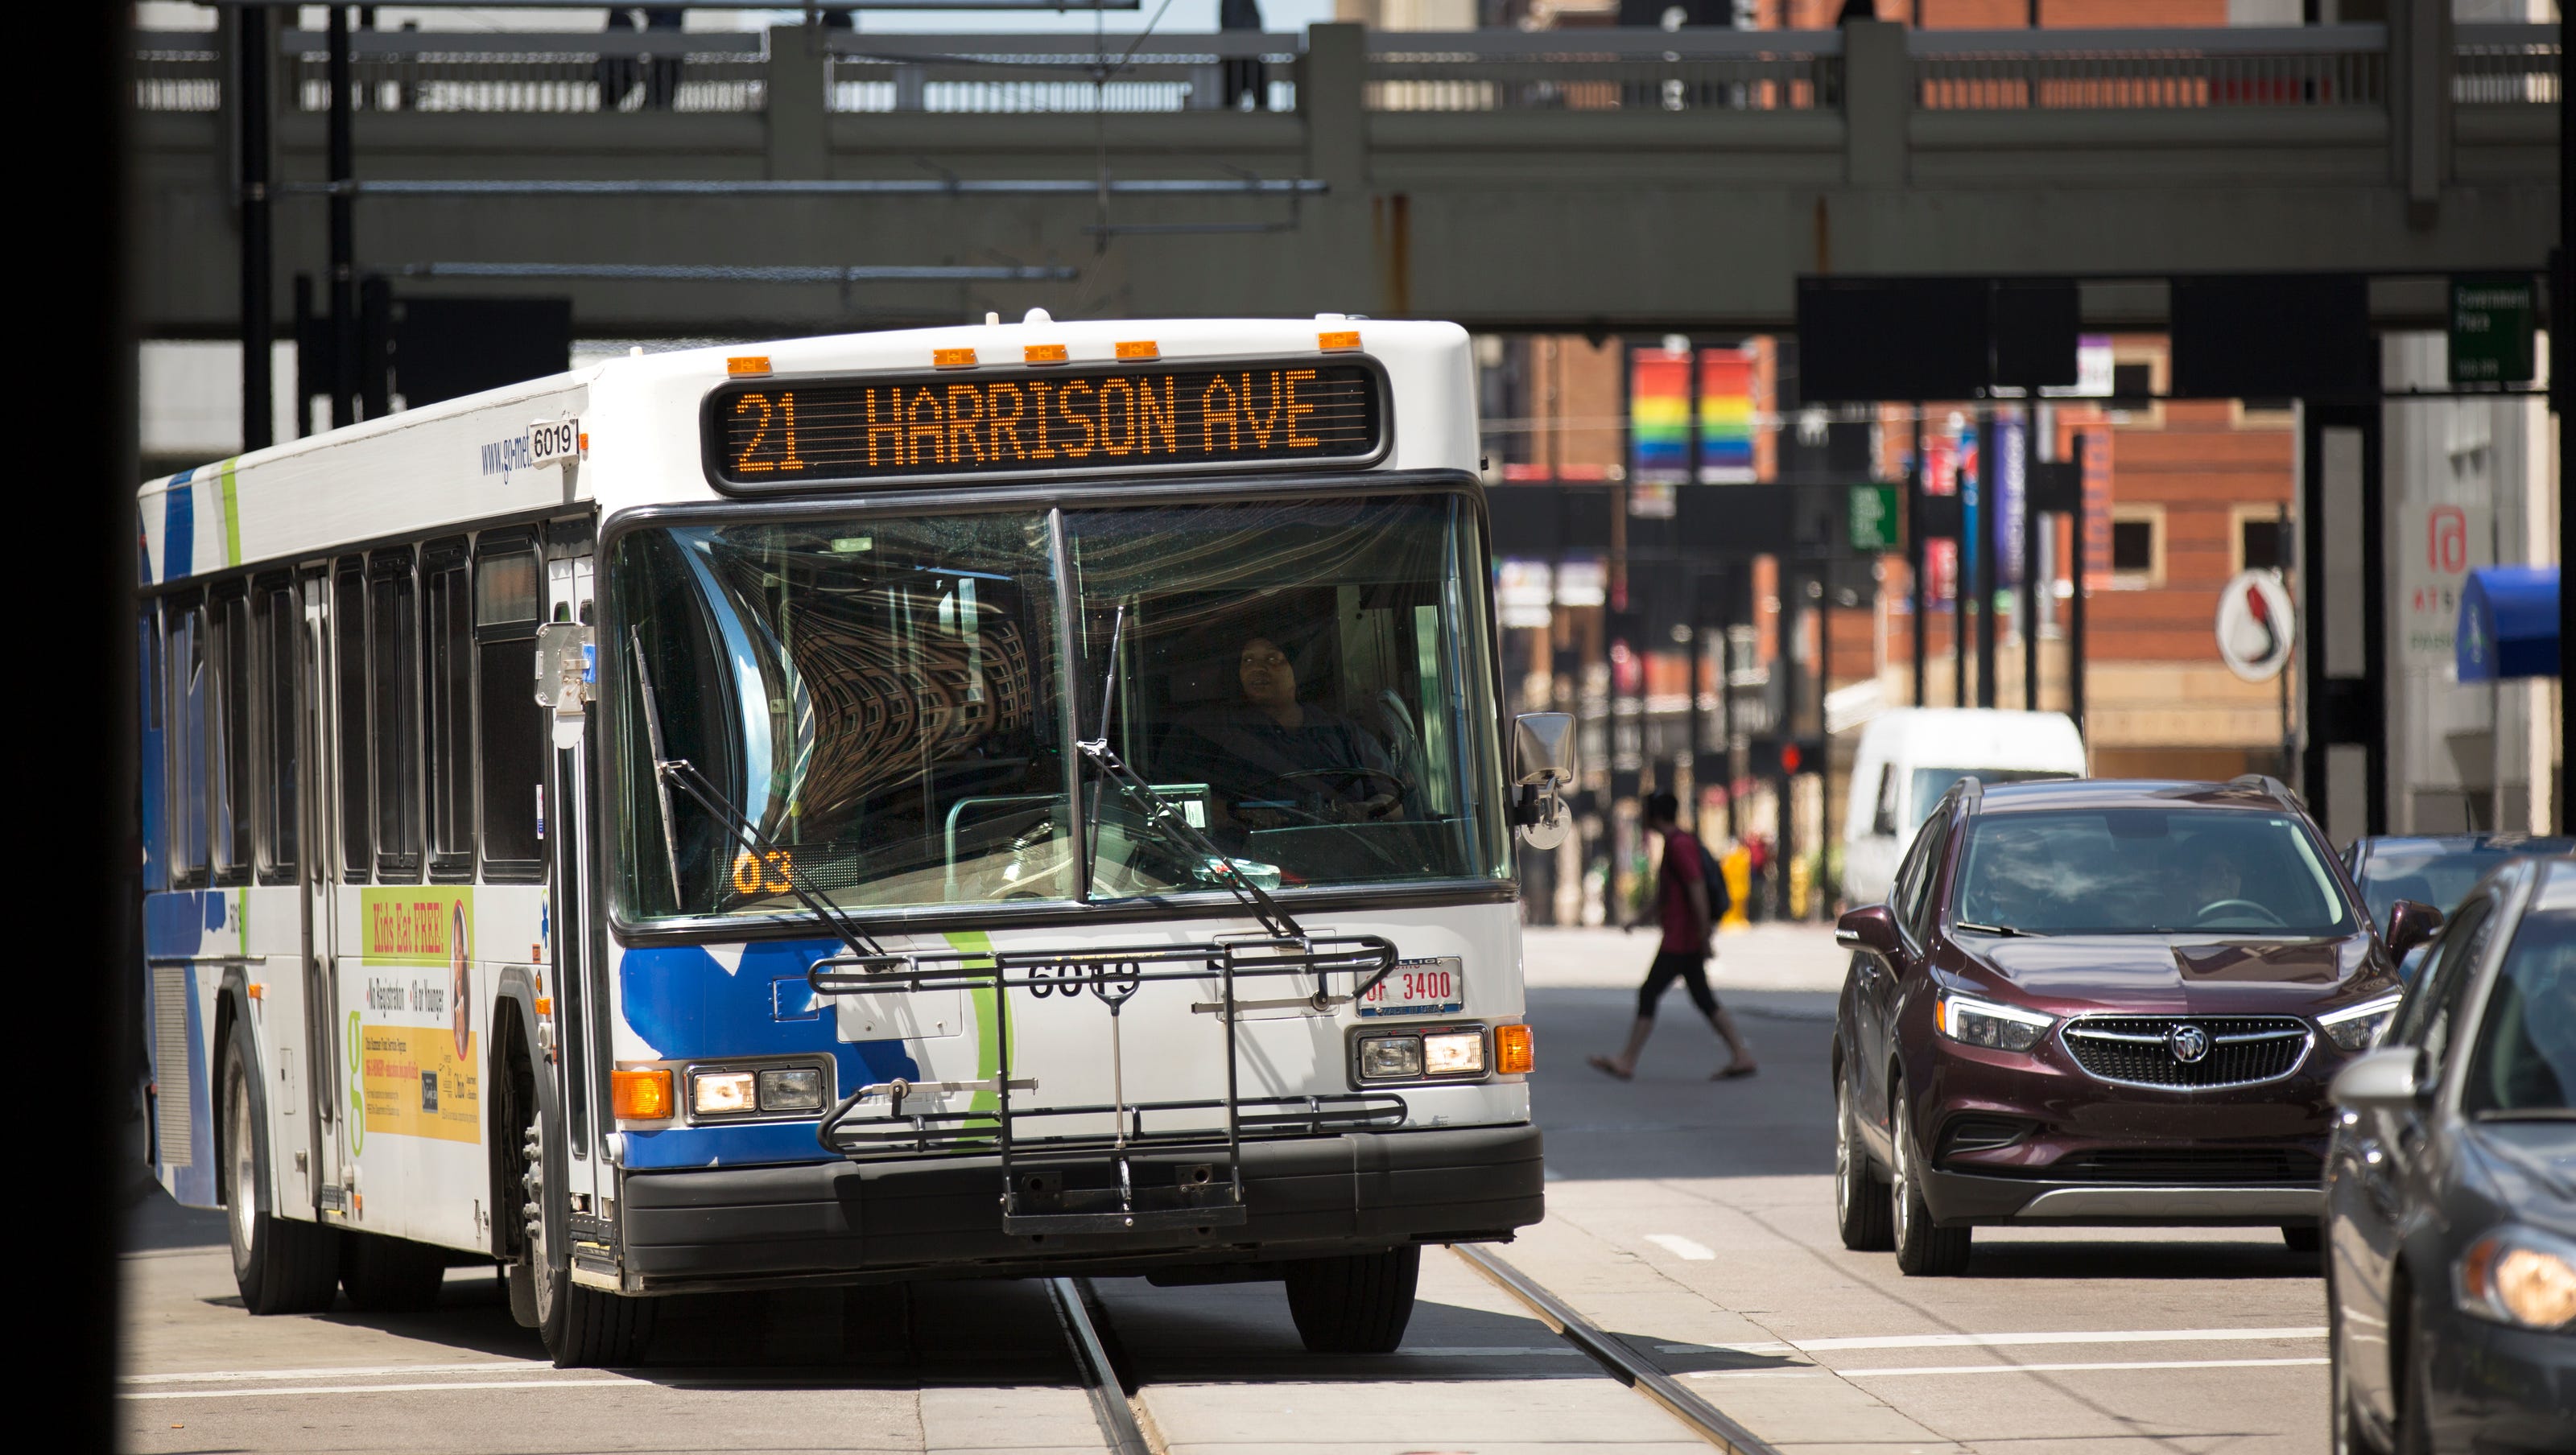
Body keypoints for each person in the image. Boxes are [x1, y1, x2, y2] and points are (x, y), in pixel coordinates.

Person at [1590, 792, 1757, 1081]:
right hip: (1684, 938)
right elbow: (1667, 897)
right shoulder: (1675, 844)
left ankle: (1627, 1060)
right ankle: (1741, 1055)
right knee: (1703, 998)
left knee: (1649, 992)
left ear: (1654, 816)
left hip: (1682, 940)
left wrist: (1704, 935)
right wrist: (1639, 920)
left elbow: (1696, 889)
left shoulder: (1679, 846)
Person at [1165, 633, 1404, 830]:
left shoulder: (1345, 734)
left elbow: (1393, 806)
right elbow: (1177, 804)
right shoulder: (1209, 732)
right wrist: (1239, 815)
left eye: (1272, 659)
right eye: (1247, 660)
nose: (1257, 668)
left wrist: (1356, 813)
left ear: (1297, 670)